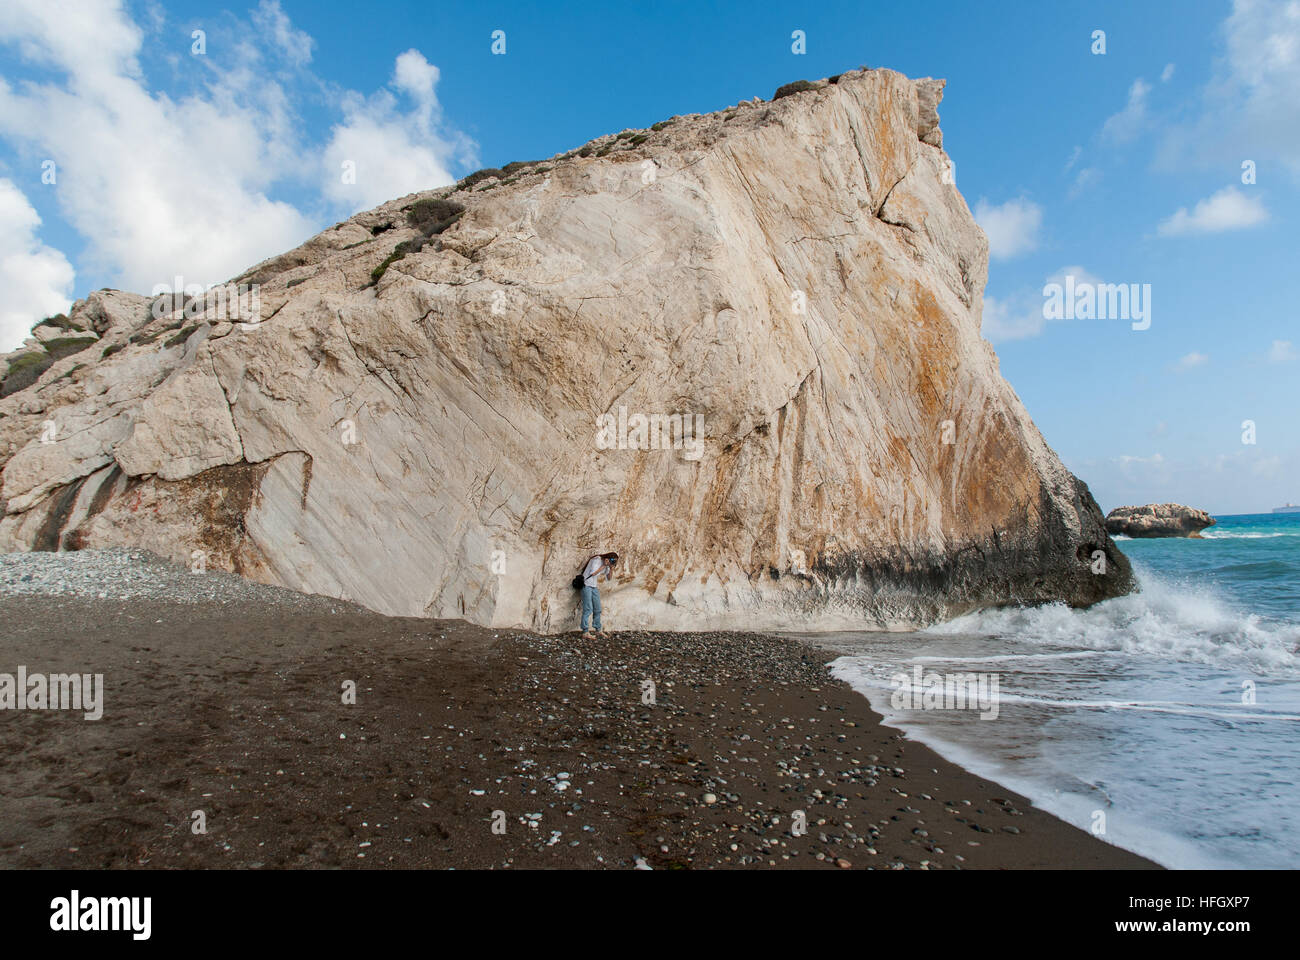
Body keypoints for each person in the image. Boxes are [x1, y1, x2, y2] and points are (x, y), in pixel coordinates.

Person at [579, 552, 617, 639]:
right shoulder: (597, 560)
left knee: (598, 608)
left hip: (593, 586)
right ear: (607, 557)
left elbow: (609, 579)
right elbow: (593, 573)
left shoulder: (607, 565)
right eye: (612, 560)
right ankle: (585, 632)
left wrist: (611, 568)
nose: (612, 562)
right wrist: (604, 565)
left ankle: (598, 629)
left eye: (614, 561)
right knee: (588, 608)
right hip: (586, 585)